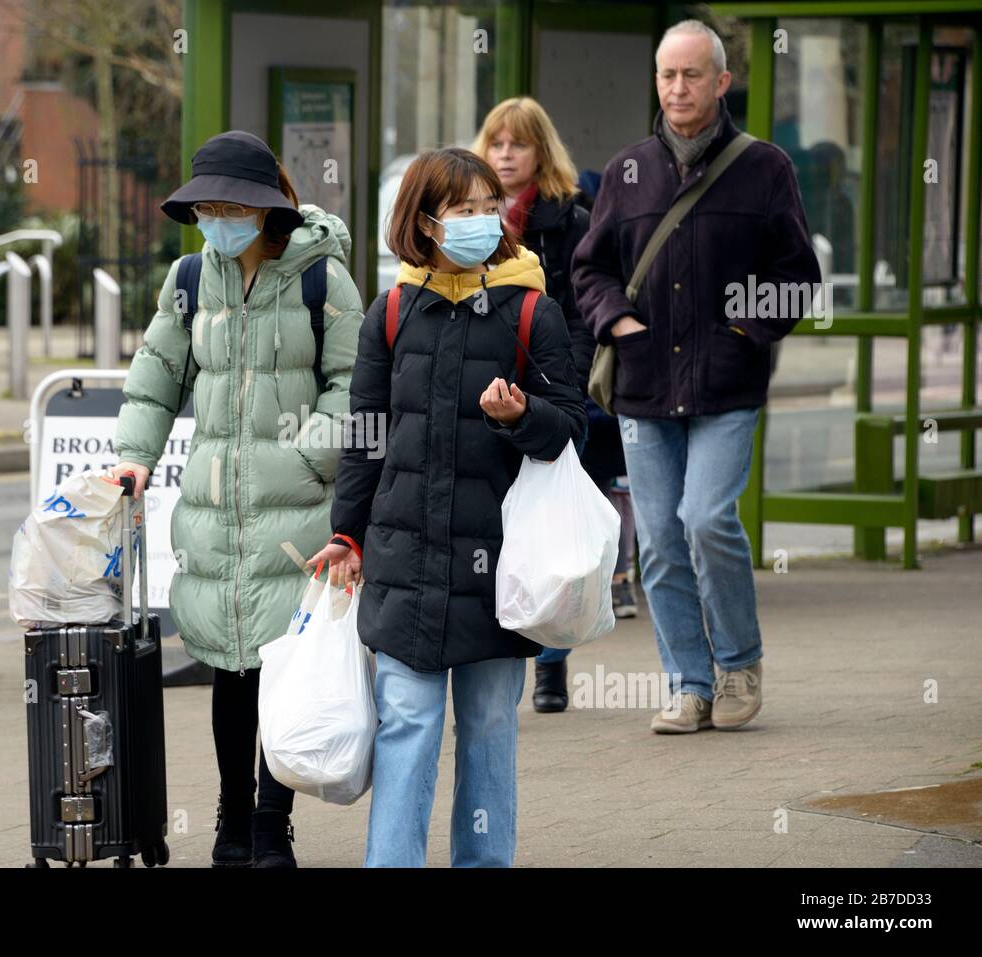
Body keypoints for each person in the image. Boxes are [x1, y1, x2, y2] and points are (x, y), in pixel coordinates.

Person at [309, 147, 586, 867]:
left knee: (491, 725)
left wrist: (521, 413)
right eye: (462, 209)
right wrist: (346, 532)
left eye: (489, 206)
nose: (479, 221)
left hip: (500, 567)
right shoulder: (393, 311)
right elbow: (365, 435)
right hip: (405, 562)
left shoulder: (533, 311)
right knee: (407, 723)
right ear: (424, 222)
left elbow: (572, 426)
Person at [111, 130, 364, 865]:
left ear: (266, 208)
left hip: (296, 506)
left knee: (281, 660)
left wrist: (306, 457)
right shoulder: (191, 278)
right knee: (230, 666)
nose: (216, 220)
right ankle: (228, 809)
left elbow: (353, 385)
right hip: (217, 507)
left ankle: (269, 818)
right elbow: (156, 371)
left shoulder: (323, 278)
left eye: (230, 206)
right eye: (206, 207)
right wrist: (133, 458)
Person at [572, 20, 821, 733]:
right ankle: (688, 681)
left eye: (691, 75)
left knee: (706, 518)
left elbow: (797, 275)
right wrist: (616, 319)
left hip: (726, 384)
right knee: (657, 538)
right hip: (644, 386)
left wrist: (745, 332)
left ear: (721, 81)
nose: (677, 88)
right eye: (666, 76)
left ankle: (738, 662)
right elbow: (590, 267)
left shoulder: (765, 167)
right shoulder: (626, 172)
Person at [475, 97, 598, 714]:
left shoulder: (569, 220)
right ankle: (501, 641)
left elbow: (581, 311)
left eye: (517, 144)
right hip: (486, 390)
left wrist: (564, 378)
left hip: (547, 389)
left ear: (540, 151)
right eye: (495, 142)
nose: (504, 154)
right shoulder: (466, 216)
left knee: (549, 526)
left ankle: (551, 661)